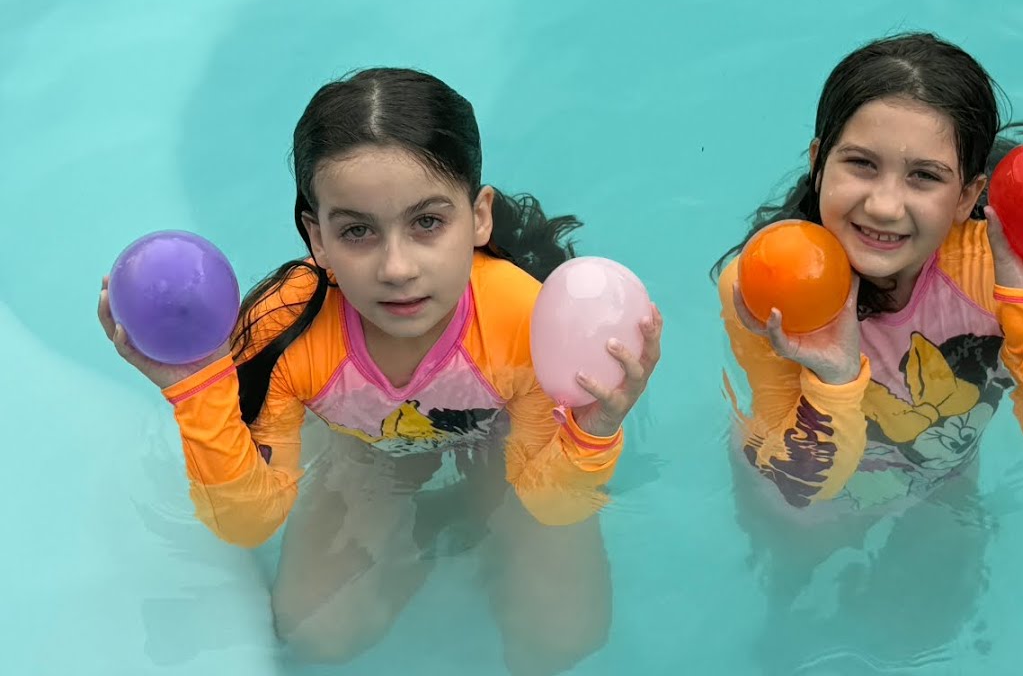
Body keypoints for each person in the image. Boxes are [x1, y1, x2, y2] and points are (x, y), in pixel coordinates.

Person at [99, 67, 662, 672]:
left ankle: (466, 512)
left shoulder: (522, 322)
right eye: (358, 231)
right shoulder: (285, 329)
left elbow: (551, 502)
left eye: (427, 222)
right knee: (317, 633)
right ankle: (422, 527)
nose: (396, 268)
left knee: (563, 637)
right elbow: (248, 520)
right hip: (360, 449)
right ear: (317, 238)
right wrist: (199, 385)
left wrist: (591, 430)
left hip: (498, 436)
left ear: (478, 218)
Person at [713, 32, 1023, 664]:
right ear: (818, 159)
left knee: (927, 630)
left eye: (925, 177)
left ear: (967, 197)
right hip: (797, 488)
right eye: (861, 164)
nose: (884, 204)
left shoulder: (996, 276)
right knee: (789, 624)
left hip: (942, 477)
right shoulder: (769, 282)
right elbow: (802, 489)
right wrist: (834, 376)